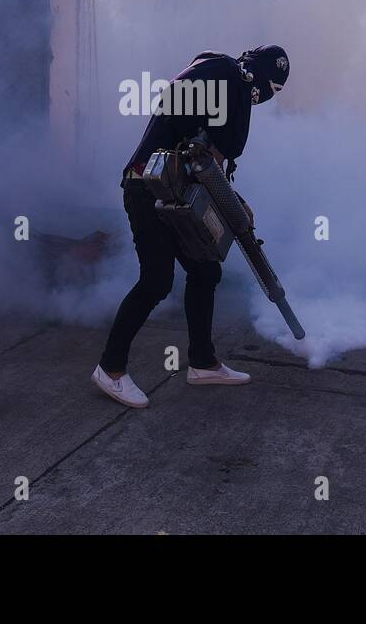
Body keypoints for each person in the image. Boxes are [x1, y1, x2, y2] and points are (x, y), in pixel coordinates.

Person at [91, 45, 290, 408]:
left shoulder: (219, 75)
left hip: (170, 192)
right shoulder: (227, 75)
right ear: (257, 78)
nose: (262, 100)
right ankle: (111, 368)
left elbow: (202, 159)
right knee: (156, 281)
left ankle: (202, 362)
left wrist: (233, 199)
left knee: (205, 271)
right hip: (146, 188)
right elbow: (198, 146)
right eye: (268, 90)